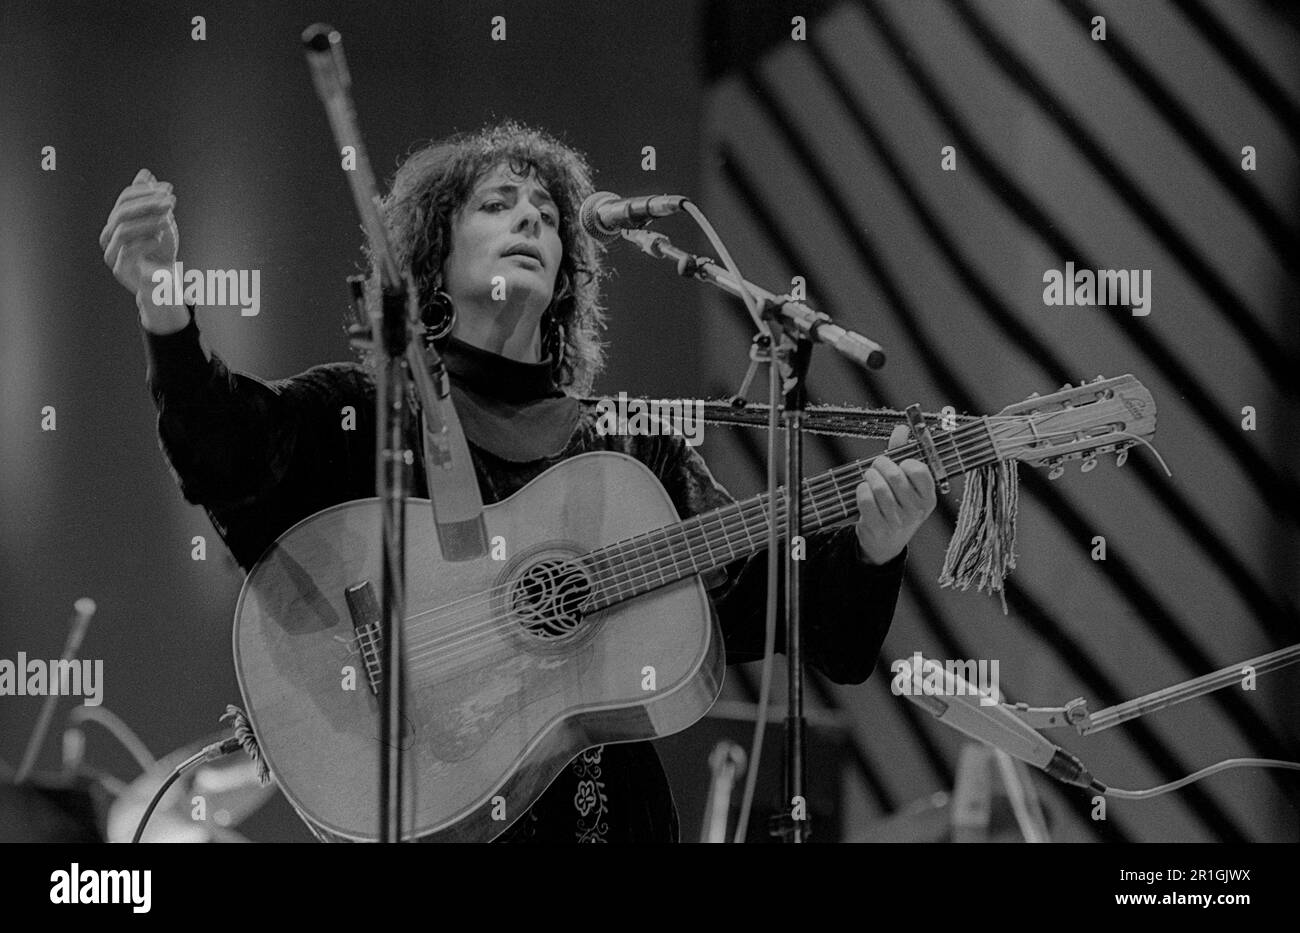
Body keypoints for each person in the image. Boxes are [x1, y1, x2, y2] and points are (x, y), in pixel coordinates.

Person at [100, 121, 937, 843]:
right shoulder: (368, 415)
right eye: (498, 204)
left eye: (546, 214)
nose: (531, 218)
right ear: (434, 250)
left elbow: (772, 606)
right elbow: (224, 453)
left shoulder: (632, 450)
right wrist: (165, 303)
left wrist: (872, 545)